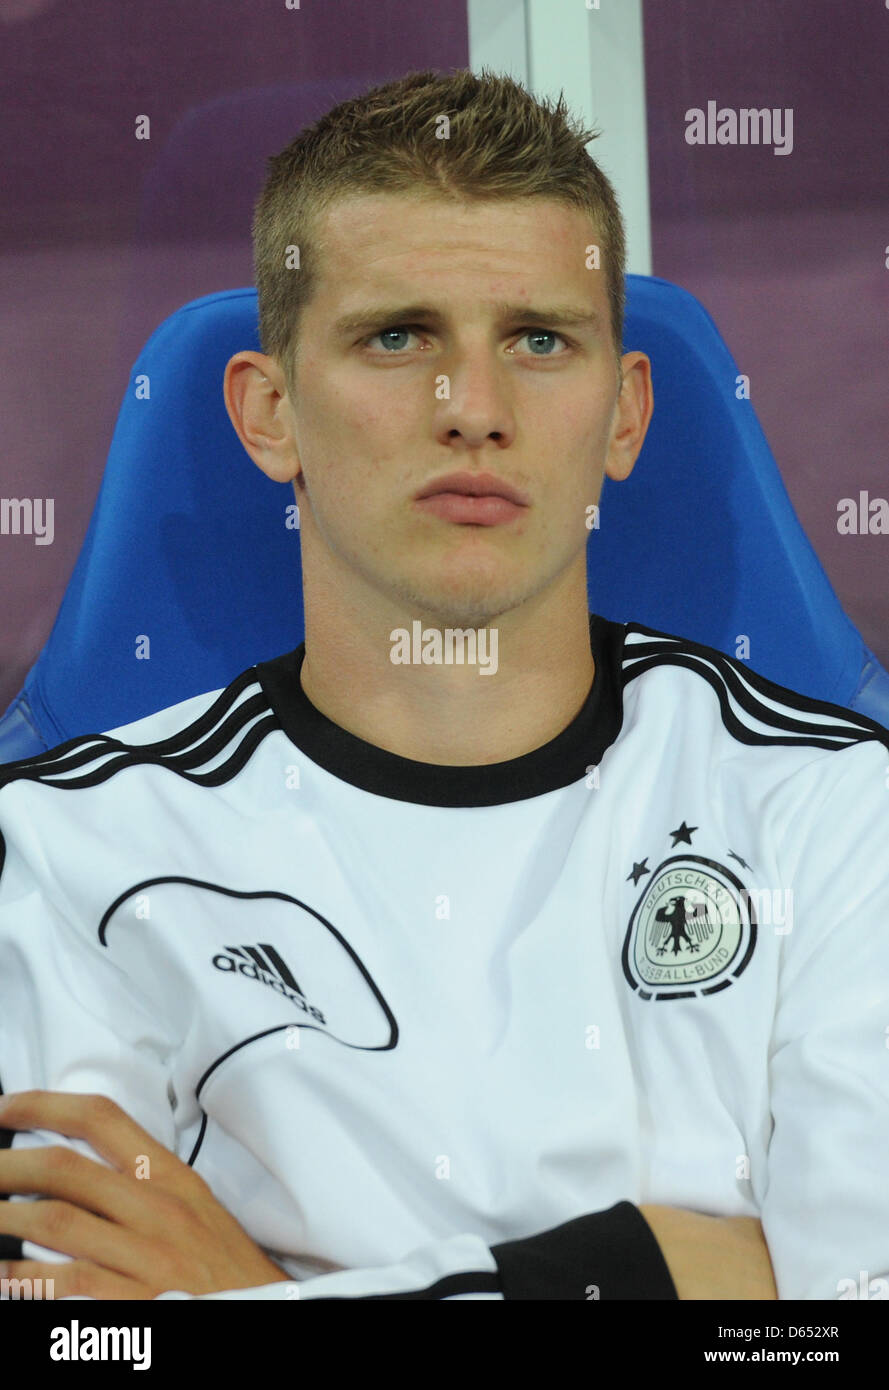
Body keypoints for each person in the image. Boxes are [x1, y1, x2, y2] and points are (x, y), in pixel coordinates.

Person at [1, 67, 887, 1303]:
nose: (471, 408)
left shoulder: (841, 817)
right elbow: (74, 1335)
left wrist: (247, 1291)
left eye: (537, 339)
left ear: (624, 415)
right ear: (269, 414)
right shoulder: (64, 849)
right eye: (397, 336)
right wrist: (651, 1269)